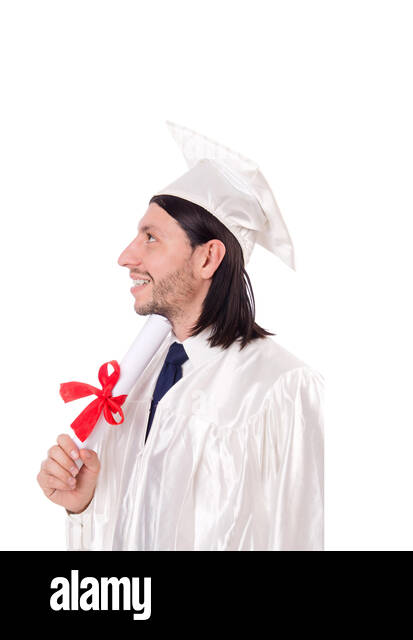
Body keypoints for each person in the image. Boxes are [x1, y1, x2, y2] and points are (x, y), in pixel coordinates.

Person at [36, 123, 324, 550]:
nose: (126, 256)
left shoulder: (281, 390)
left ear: (207, 257)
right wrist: (84, 507)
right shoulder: (140, 379)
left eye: (150, 238)